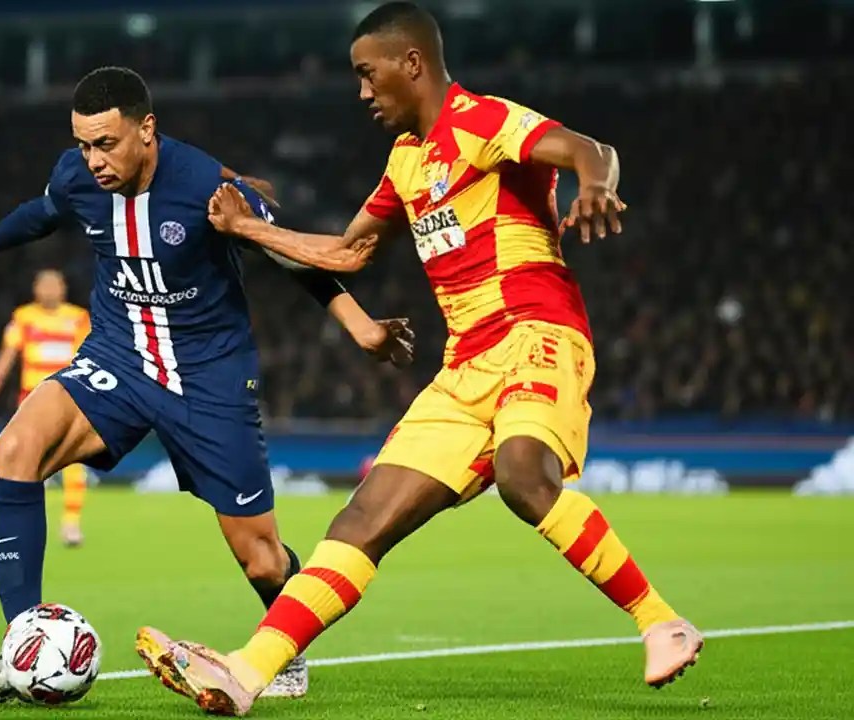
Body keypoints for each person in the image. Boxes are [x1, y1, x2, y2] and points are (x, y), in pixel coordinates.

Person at [134, 4, 702, 715]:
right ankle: (245, 674)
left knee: (526, 477)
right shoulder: (405, 161)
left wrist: (594, 184)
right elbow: (348, 252)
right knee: (360, 521)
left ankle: (661, 622)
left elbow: (589, 147)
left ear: (412, 64)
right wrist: (245, 227)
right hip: (464, 368)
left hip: (536, 332)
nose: (362, 93)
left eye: (368, 76)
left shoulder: (484, 120)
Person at [0, 65, 414, 703]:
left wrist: (360, 328)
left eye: (106, 144)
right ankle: (22, 643)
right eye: (83, 144)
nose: (92, 160)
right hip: (119, 358)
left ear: (147, 129)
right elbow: (42, 213)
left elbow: (286, 256)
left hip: (209, 376)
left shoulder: (207, 187)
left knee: (261, 557)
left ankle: (285, 647)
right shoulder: (77, 176)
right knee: (16, 448)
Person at [0, 269, 93, 547]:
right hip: (32, 397)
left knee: (74, 459)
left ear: (63, 288)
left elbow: (88, 354)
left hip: (69, 394)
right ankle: (21, 523)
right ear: (36, 288)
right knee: (26, 460)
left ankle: (71, 524)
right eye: (45, 285)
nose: (50, 290)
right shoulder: (24, 317)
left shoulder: (77, 318)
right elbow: (9, 353)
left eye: (55, 284)